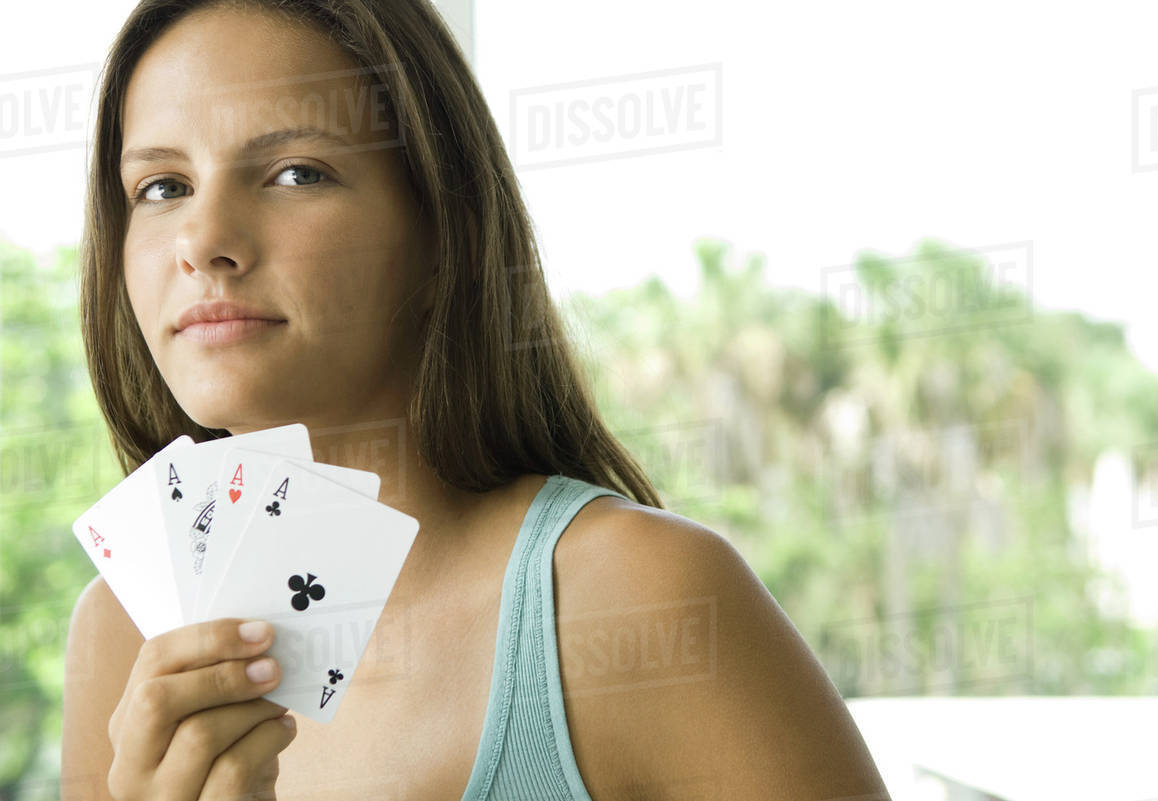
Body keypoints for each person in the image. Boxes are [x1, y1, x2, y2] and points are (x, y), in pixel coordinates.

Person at [61, 0, 891, 799]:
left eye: (294, 172)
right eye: (162, 188)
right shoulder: (118, 633)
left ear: (439, 226)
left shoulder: (637, 597)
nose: (203, 241)